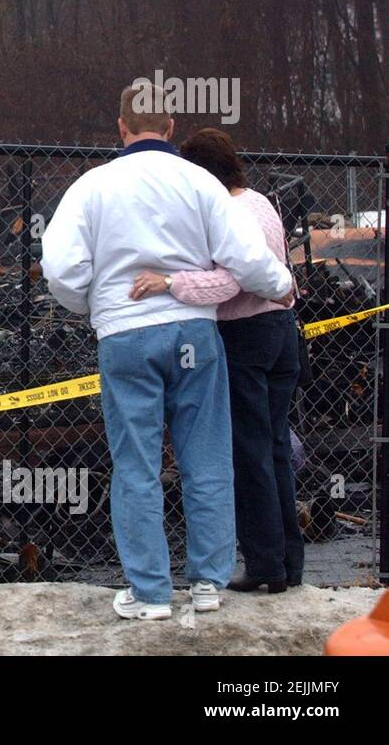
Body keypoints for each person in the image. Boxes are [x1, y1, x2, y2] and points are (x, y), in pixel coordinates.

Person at [41, 82, 292, 621]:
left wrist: (96, 305)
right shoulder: (199, 182)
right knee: (205, 457)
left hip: (125, 335)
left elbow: (61, 269)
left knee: (135, 463)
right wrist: (280, 285)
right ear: (172, 127)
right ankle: (207, 583)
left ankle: (150, 591)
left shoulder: (92, 186)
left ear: (121, 127)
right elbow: (245, 257)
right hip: (194, 335)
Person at [128, 128, 303, 593]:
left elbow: (232, 283)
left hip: (246, 337)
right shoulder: (262, 202)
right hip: (284, 334)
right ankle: (289, 561)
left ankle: (266, 564)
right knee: (275, 449)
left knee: (250, 454)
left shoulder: (225, 211)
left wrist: (171, 284)